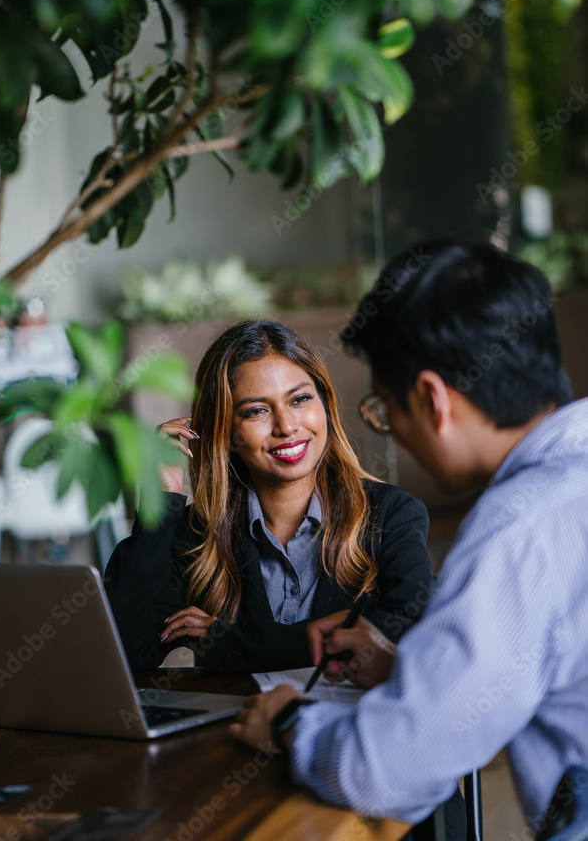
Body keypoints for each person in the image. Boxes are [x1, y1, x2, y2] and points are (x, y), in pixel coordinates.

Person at [230, 240, 588, 836]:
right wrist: (411, 671)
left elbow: (388, 772)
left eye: (385, 410)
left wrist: (292, 724)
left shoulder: (517, 530)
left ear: (432, 400)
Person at [104, 319, 434, 676]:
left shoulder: (390, 514)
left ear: (324, 405)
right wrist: (160, 500)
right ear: (225, 431)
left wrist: (231, 642)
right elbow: (122, 656)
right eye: (256, 410)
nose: (286, 426)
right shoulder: (196, 538)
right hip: (237, 729)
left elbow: (408, 635)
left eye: (300, 399)